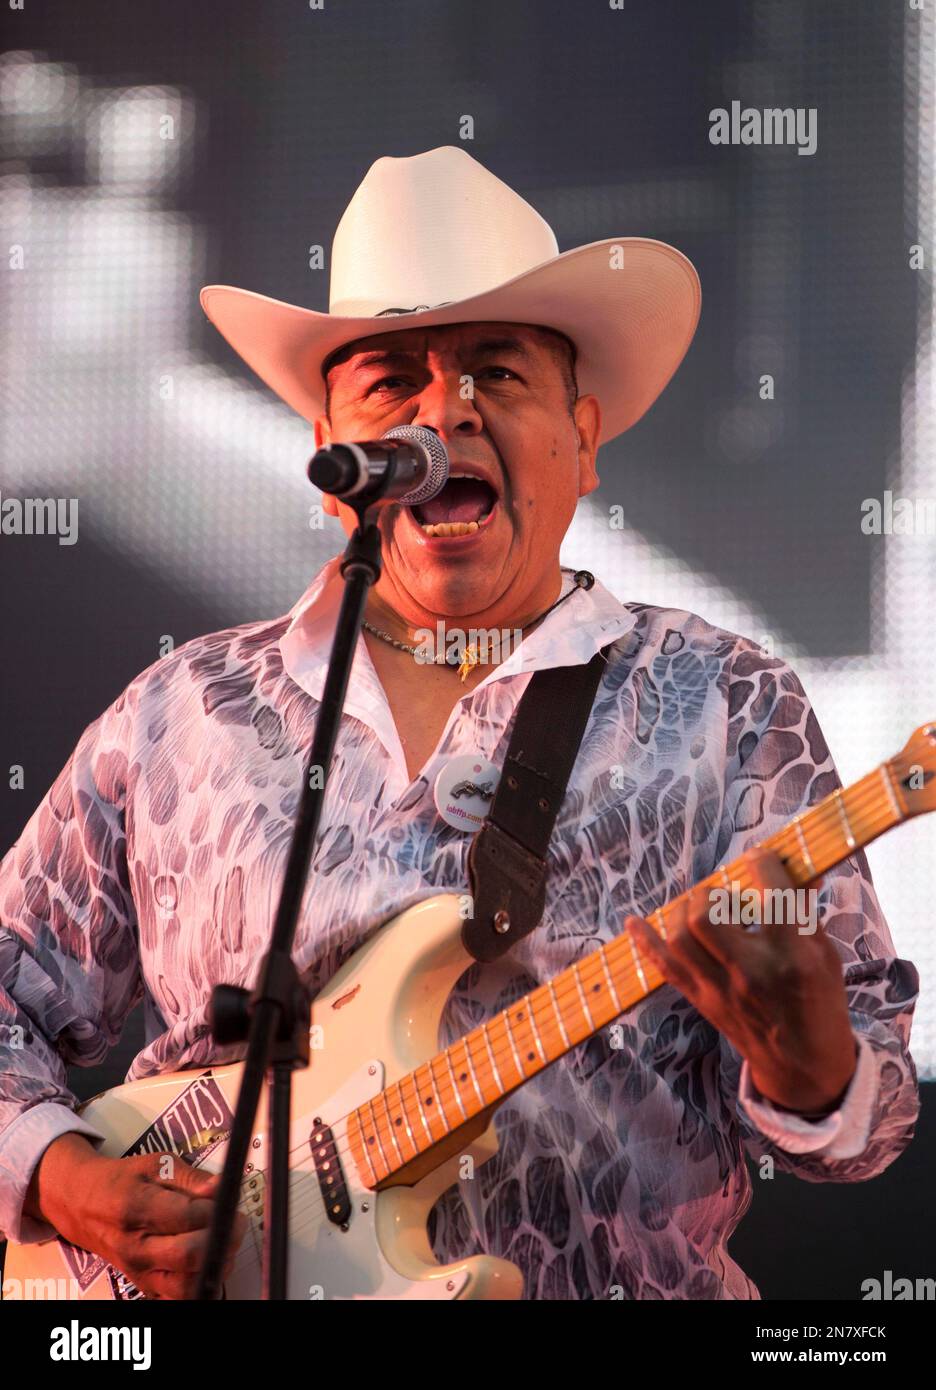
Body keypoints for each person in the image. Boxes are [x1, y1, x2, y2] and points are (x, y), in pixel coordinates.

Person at [0, 148, 920, 1300]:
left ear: (583, 441)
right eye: (392, 383)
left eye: (497, 371)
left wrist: (813, 1066)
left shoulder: (727, 702)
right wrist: (64, 1177)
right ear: (335, 468)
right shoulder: (185, 712)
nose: (446, 412)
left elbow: (869, 1120)